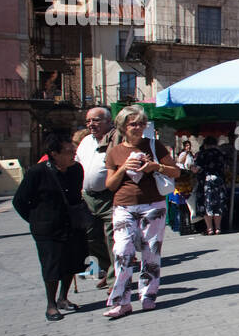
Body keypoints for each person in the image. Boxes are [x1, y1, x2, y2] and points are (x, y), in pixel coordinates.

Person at [103, 104, 180, 319]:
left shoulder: (155, 146)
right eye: (133, 124)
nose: (138, 127)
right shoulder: (114, 152)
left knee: (151, 252)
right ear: (123, 127)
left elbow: (176, 171)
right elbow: (110, 184)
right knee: (122, 252)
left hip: (153, 205)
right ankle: (121, 301)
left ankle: (148, 295)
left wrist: (155, 167)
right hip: (124, 205)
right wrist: (123, 167)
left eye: (141, 123)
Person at [12, 132, 89, 321]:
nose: (73, 154)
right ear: (54, 153)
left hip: (72, 224)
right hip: (47, 229)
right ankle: (51, 304)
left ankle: (64, 298)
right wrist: (36, 220)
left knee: (73, 262)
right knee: (51, 265)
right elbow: (19, 201)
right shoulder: (37, 172)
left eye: (74, 150)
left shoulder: (76, 169)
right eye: (69, 151)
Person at [77, 106, 116, 290]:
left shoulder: (116, 140)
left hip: (109, 196)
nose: (91, 124)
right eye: (88, 121)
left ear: (109, 121)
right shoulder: (85, 141)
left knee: (112, 238)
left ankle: (114, 279)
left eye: (96, 120)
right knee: (90, 237)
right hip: (87, 196)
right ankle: (107, 269)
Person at [192, 136, 230, 235]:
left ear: (205, 145)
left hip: (206, 181)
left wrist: (192, 168)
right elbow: (226, 169)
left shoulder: (201, 154)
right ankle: (218, 228)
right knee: (218, 204)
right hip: (219, 181)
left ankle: (210, 229)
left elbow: (196, 169)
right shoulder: (221, 154)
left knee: (206, 204)